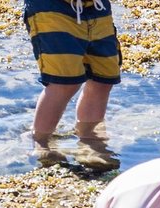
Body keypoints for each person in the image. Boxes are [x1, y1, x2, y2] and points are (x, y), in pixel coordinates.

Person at [24, 0, 122, 169]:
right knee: (64, 82)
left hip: (96, 8)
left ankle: (90, 139)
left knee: (103, 78)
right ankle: (41, 140)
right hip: (51, 8)